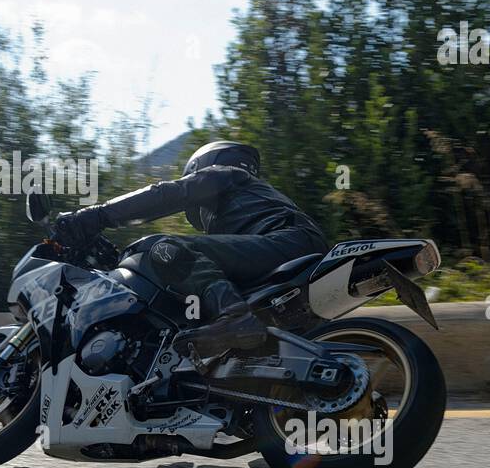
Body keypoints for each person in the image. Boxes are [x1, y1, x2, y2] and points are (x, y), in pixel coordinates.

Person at [52, 140, 328, 356]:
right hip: (292, 255)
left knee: (159, 247)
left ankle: (235, 317)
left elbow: (168, 194)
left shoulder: (227, 173)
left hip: (289, 242)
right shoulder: (250, 208)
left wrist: (97, 215)